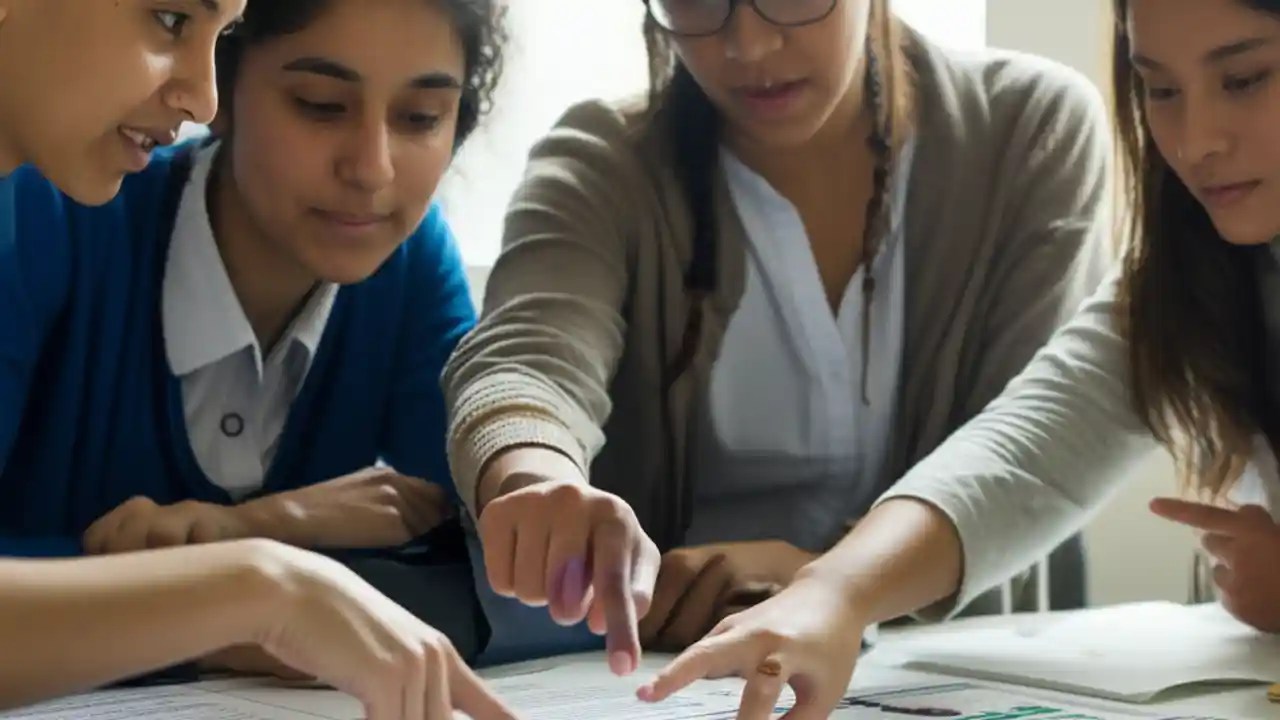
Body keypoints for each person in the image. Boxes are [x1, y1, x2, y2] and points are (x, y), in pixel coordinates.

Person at [630, 0, 1280, 718]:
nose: (1194, 141)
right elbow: (1031, 444)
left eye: (1246, 79)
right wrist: (835, 592)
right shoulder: (1195, 272)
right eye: (1160, 90)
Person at [443, 0, 1113, 670]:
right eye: (700, 3)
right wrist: (537, 477)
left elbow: (1030, 449)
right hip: (673, 667)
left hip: (940, 663)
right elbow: (528, 357)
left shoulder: (1029, 132)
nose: (750, 45)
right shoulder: (604, 163)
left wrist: (828, 577)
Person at [0, 1, 514, 716]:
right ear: (230, 96)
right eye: (320, 105)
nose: (372, 170)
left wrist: (270, 532)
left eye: (422, 117)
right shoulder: (44, 200)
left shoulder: (409, 261)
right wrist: (248, 594)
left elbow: (512, 570)